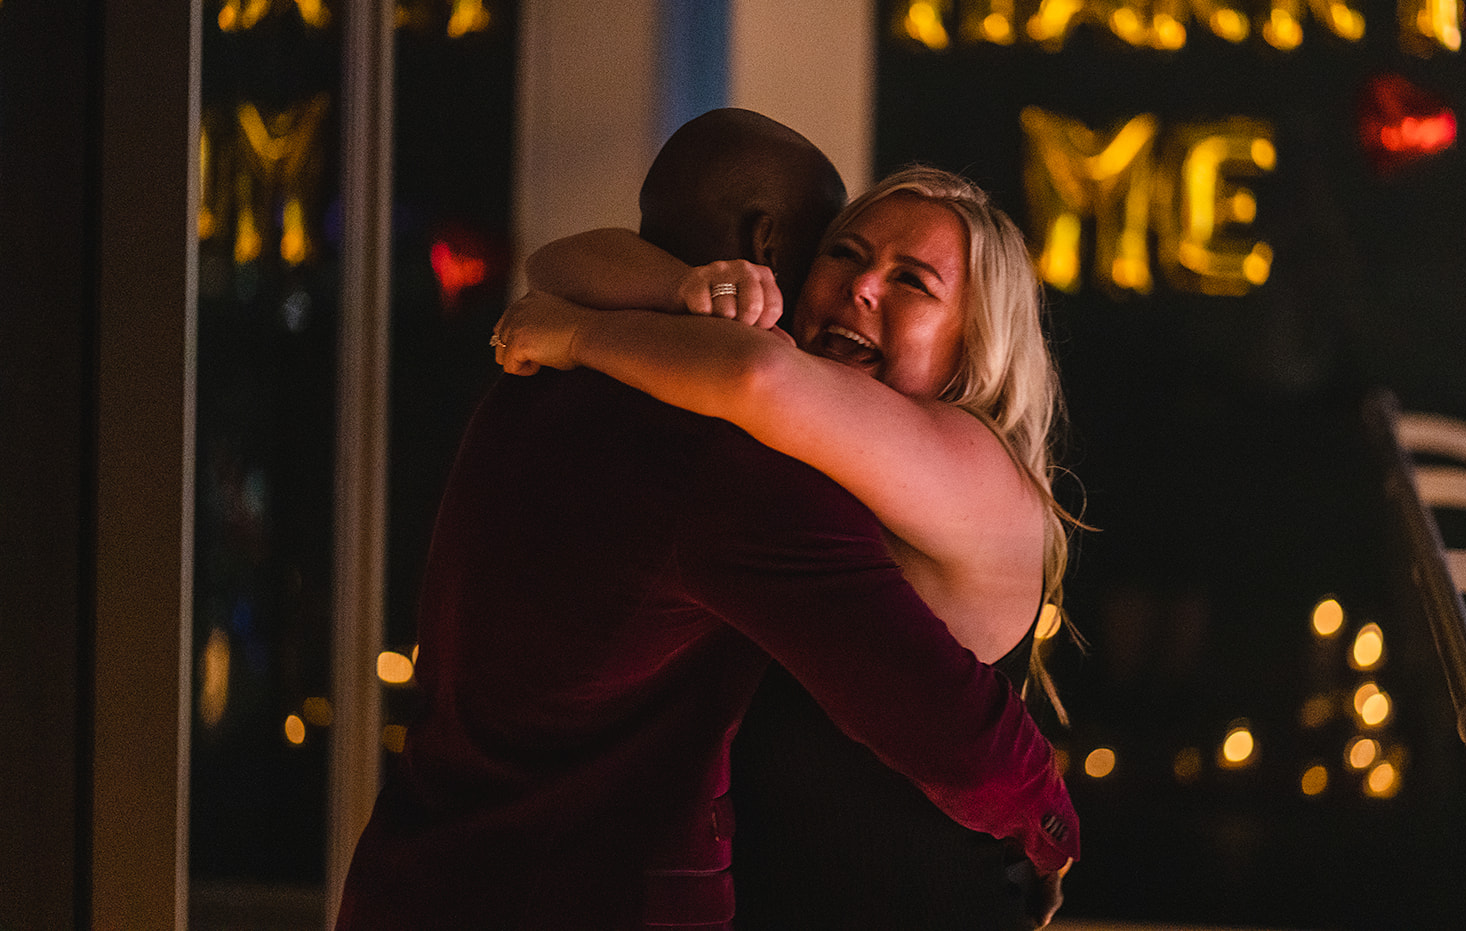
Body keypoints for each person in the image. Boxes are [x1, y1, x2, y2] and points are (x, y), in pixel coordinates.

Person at [334, 110, 1078, 931]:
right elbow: (942, 721)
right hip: (575, 892)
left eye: (912, 280)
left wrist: (582, 327)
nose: (855, 288)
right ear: (770, 244)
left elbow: (586, 277)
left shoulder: (535, 385)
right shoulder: (728, 458)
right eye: (836, 249)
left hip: (416, 867)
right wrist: (1046, 831)